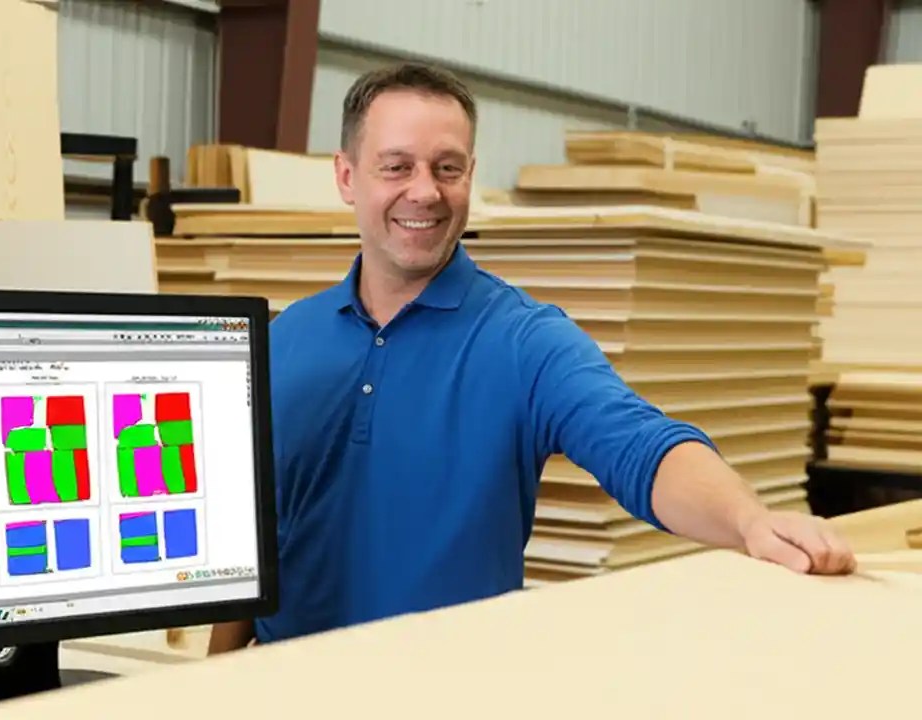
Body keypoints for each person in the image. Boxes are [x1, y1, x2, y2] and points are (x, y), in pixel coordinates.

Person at [208, 62, 857, 653]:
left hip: (455, 686)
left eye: (448, 167)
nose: (424, 192)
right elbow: (248, 540)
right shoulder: (283, 340)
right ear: (347, 176)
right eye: (396, 166)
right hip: (286, 685)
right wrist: (211, 682)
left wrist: (749, 520)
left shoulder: (526, 342)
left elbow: (639, 444)